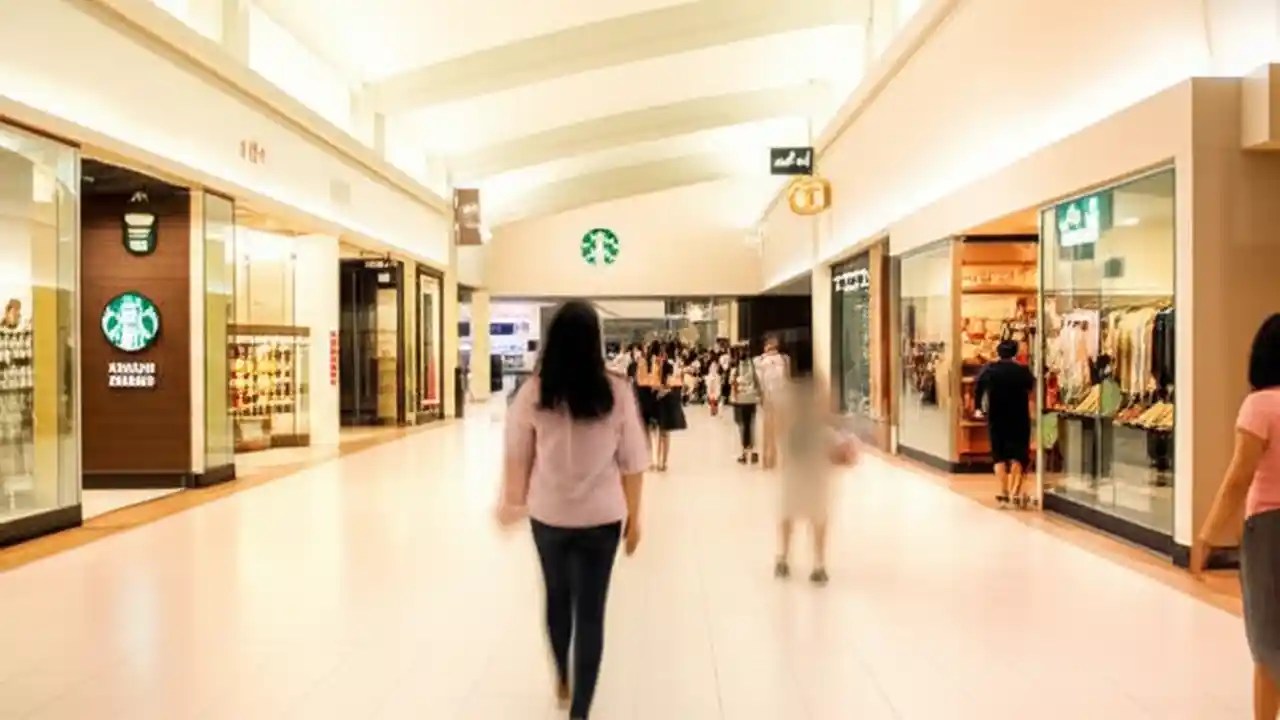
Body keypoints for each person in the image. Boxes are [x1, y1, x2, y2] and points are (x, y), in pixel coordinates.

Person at [497, 301, 648, 720]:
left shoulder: (534, 391)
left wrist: (511, 501)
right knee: (592, 612)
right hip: (602, 520)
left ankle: (562, 675)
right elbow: (633, 461)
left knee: (558, 598)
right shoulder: (616, 391)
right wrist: (636, 519)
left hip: (549, 517)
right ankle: (580, 711)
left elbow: (516, 453)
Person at [1194, 314, 1280, 720]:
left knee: (1267, 641)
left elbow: (1238, 479)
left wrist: (1207, 536)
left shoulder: (1260, 405)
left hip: (1269, 530)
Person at [775, 379, 858, 586]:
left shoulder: (792, 428)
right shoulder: (823, 431)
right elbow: (840, 456)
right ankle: (818, 565)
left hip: (795, 477)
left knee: (789, 516)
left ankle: (783, 559)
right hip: (816, 479)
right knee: (817, 519)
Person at [974, 339, 1035, 508]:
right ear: (1015, 353)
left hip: (997, 415)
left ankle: (1003, 490)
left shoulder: (990, 369)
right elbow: (1032, 387)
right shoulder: (1022, 371)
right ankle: (1015, 491)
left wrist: (978, 407)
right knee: (1018, 454)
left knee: (999, 455)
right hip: (1019, 416)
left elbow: (978, 387)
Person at [755, 334, 792, 469]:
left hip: (778, 398)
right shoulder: (760, 361)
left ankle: (775, 459)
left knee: (776, 430)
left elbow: (787, 379)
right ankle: (768, 459)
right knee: (769, 430)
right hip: (769, 398)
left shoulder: (783, 359)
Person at [653, 341, 687, 471]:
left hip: (666, 402)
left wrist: (661, 391)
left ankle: (663, 461)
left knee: (664, 433)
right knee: (660, 433)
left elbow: (671, 385)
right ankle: (659, 460)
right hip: (660, 402)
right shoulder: (656, 368)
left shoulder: (669, 367)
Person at [730, 346, 761, 464]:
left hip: (740, 400)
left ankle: (744, 452)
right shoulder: (753, 365)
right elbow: (757, 381)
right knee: (750, 425)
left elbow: (732, 383)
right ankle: (751, 451)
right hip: (751, 398)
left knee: (742, 426)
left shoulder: (735, 366)